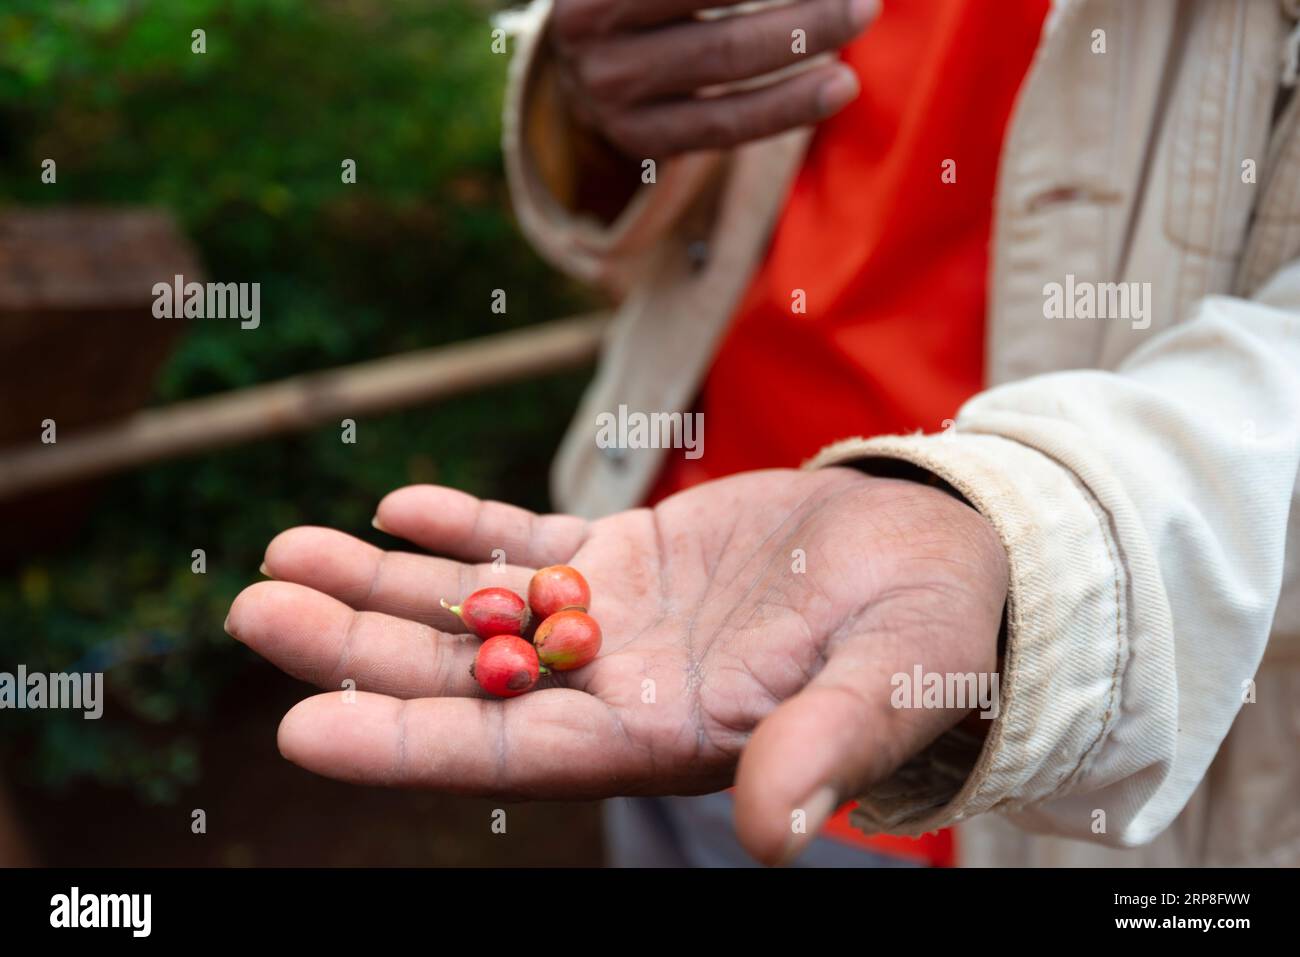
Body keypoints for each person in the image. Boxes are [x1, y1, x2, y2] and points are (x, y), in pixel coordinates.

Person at [226, 0, 1300, 867]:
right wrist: (584, 105)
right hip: (659, 586)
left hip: (1018, 733)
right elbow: (639, 182)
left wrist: (1023, 533)